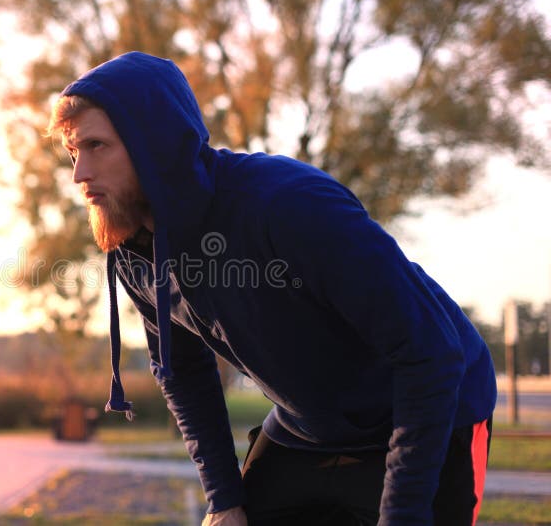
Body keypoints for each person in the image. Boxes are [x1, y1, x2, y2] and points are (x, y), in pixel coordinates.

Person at [46, 51, 497, 526]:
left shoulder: (288, 205)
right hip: (304, 430)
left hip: (430, 412)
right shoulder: (133, 250)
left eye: (97, 146)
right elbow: (182, 371)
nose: (80, 174)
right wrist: (223, 498)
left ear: (153, 144)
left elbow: (430, 352)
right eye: (74, 152)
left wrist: (403, 515)